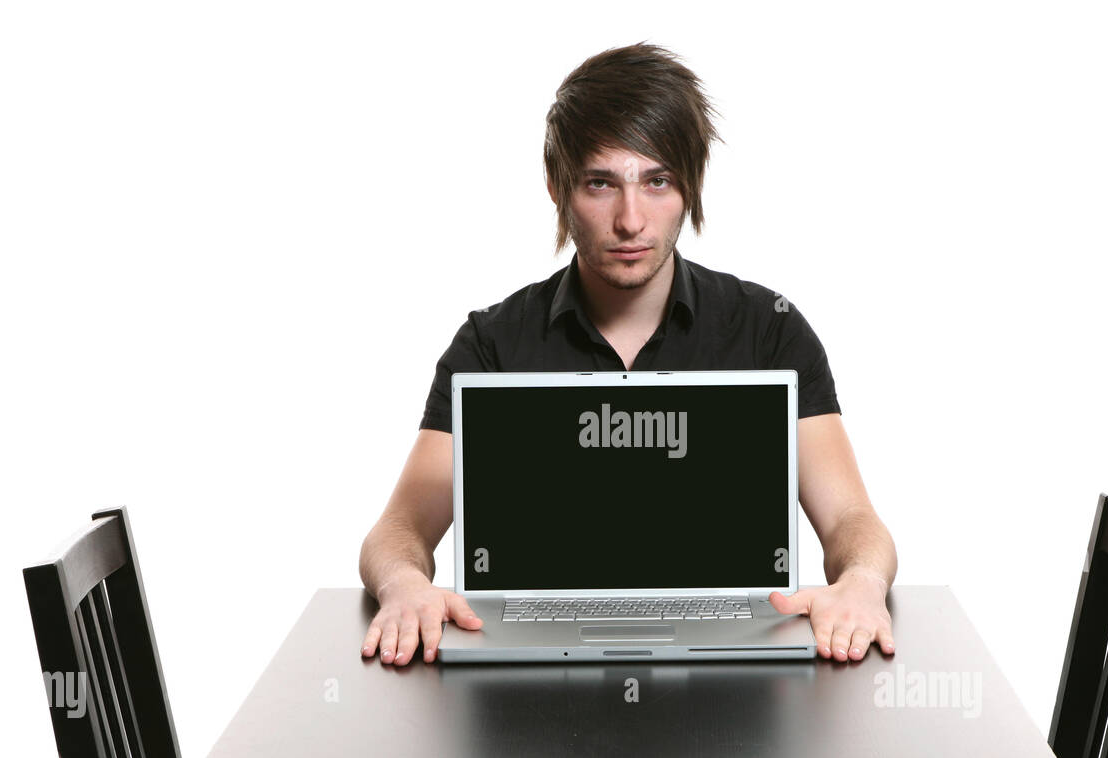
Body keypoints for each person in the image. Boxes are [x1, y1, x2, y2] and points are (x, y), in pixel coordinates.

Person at [359, 41, 897, 666]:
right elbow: (398, 530)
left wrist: (860, 582)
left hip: (731, 680)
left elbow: (853, 520)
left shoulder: (769, 332)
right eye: (600, 183)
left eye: (657, 180)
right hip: (531, 679)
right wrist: (405, 586)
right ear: (560, 189)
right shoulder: (491, 344)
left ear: (689, 186)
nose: (631, 220)